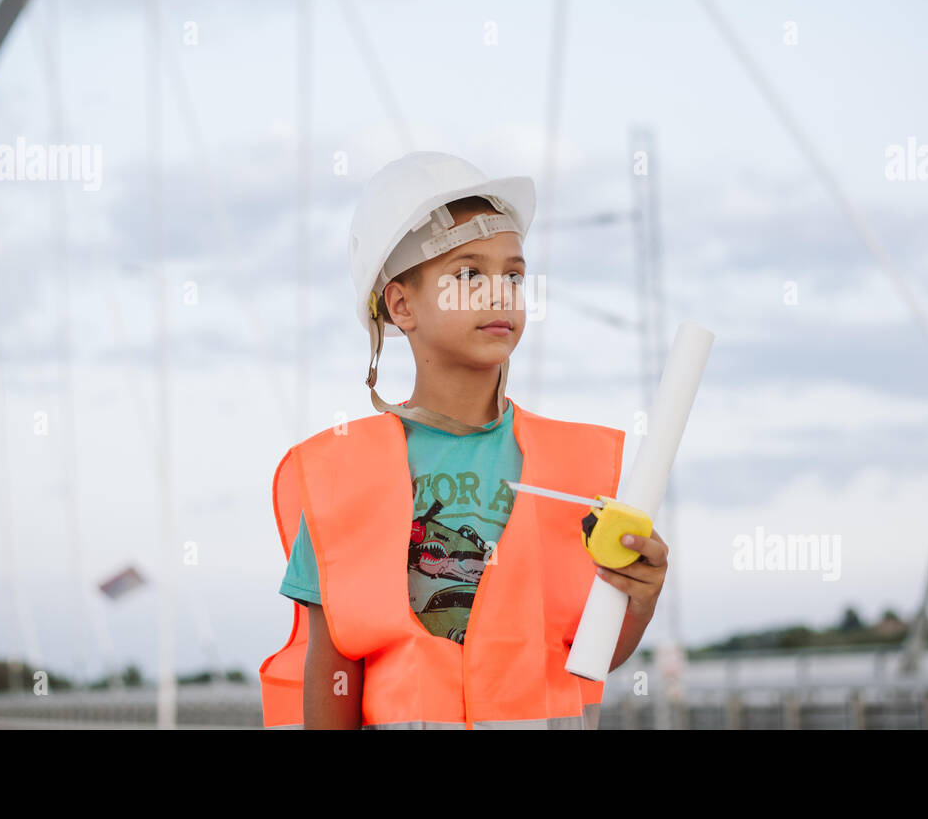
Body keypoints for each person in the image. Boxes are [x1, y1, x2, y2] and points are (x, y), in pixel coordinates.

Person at [259, 151, 669, 729]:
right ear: (401, 306)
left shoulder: (566, 472)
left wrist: (640, 599)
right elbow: (336, 665)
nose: (500, 293)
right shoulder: (342, 478)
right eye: (470, 275)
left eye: (514, 275)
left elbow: (587, 657)